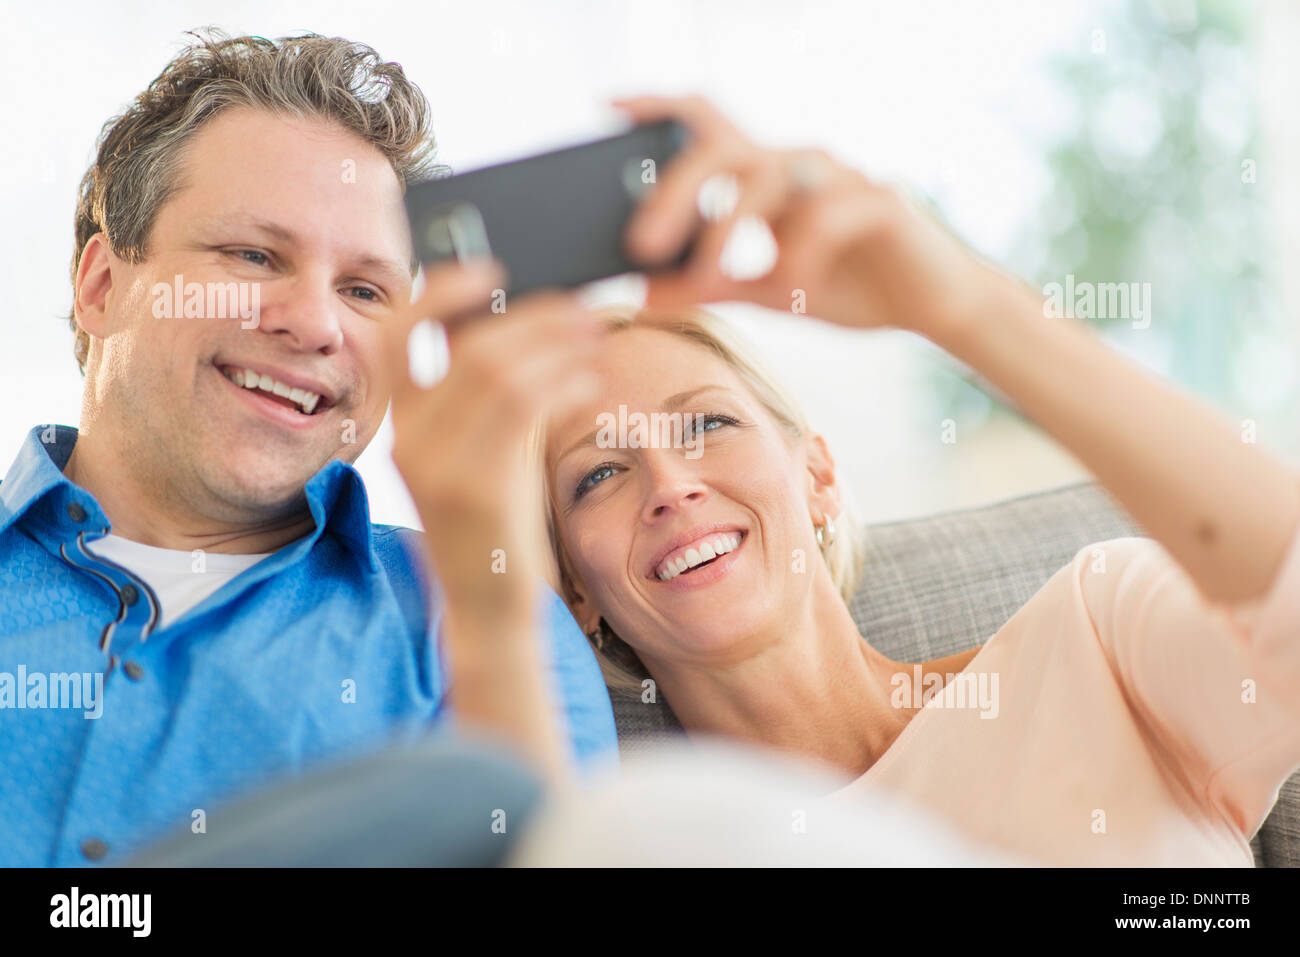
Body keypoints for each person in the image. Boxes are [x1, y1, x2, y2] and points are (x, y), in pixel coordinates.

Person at [498, 97, 1300, 866]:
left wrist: (960, 307)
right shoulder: (647, 839)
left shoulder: (1098, 638)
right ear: (575, 590)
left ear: (817, 474)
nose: (670, 485)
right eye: (599, 472)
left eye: (707, 424)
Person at [0, 30, 618, 868]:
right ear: (103, 286)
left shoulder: (486, 624)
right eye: (254, 255)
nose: (316, 323)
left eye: (364, 290)